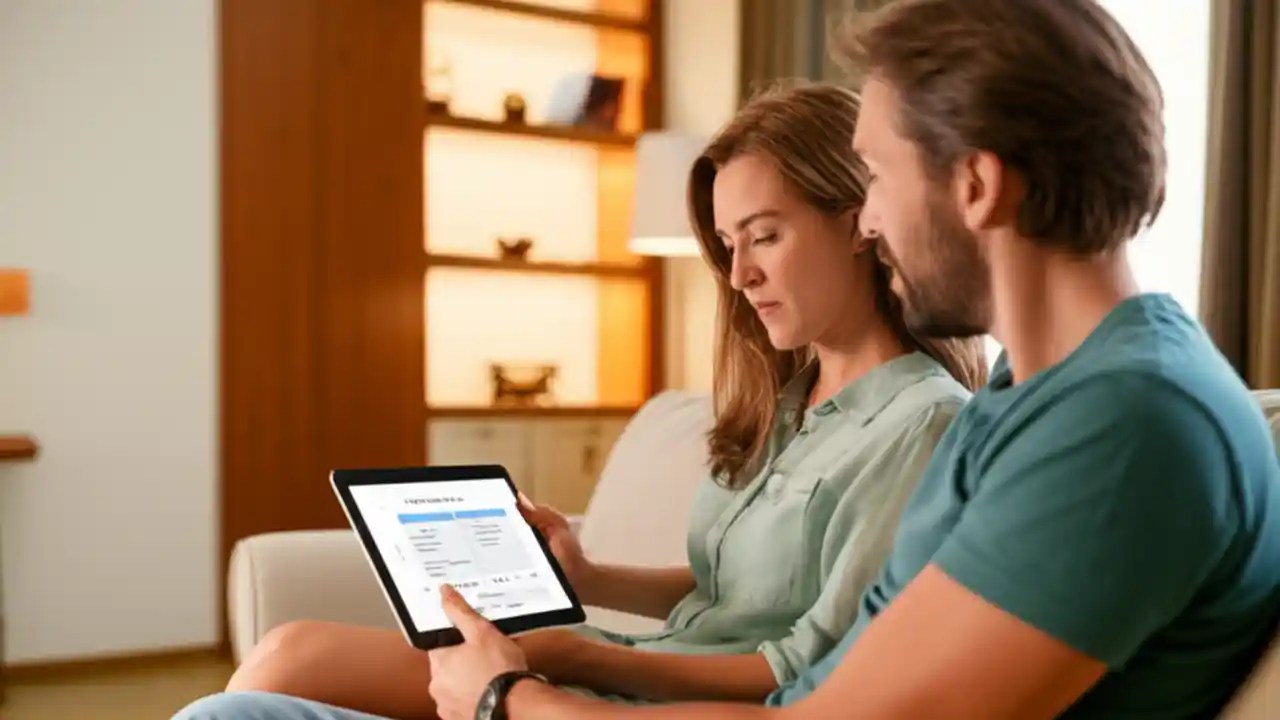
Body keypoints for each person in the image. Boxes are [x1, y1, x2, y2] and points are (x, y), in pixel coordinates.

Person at [415, 0, 1280, 717]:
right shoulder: (1036, 397)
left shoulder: (1127, 425)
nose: (866, 222)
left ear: (975, 185)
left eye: (873, 175)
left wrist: (510, 699)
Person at [174, 83, 987, 720]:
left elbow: (808, 661)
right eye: (729, 245)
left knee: (280, 673)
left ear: (859, 222)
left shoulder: (922, 423)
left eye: (764, 236)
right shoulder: (787, 403)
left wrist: (566, 659)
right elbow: (739, 593)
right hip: (623, 672)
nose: (740, 277)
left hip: (655, 696)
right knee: (283, 661)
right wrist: (591, 574)